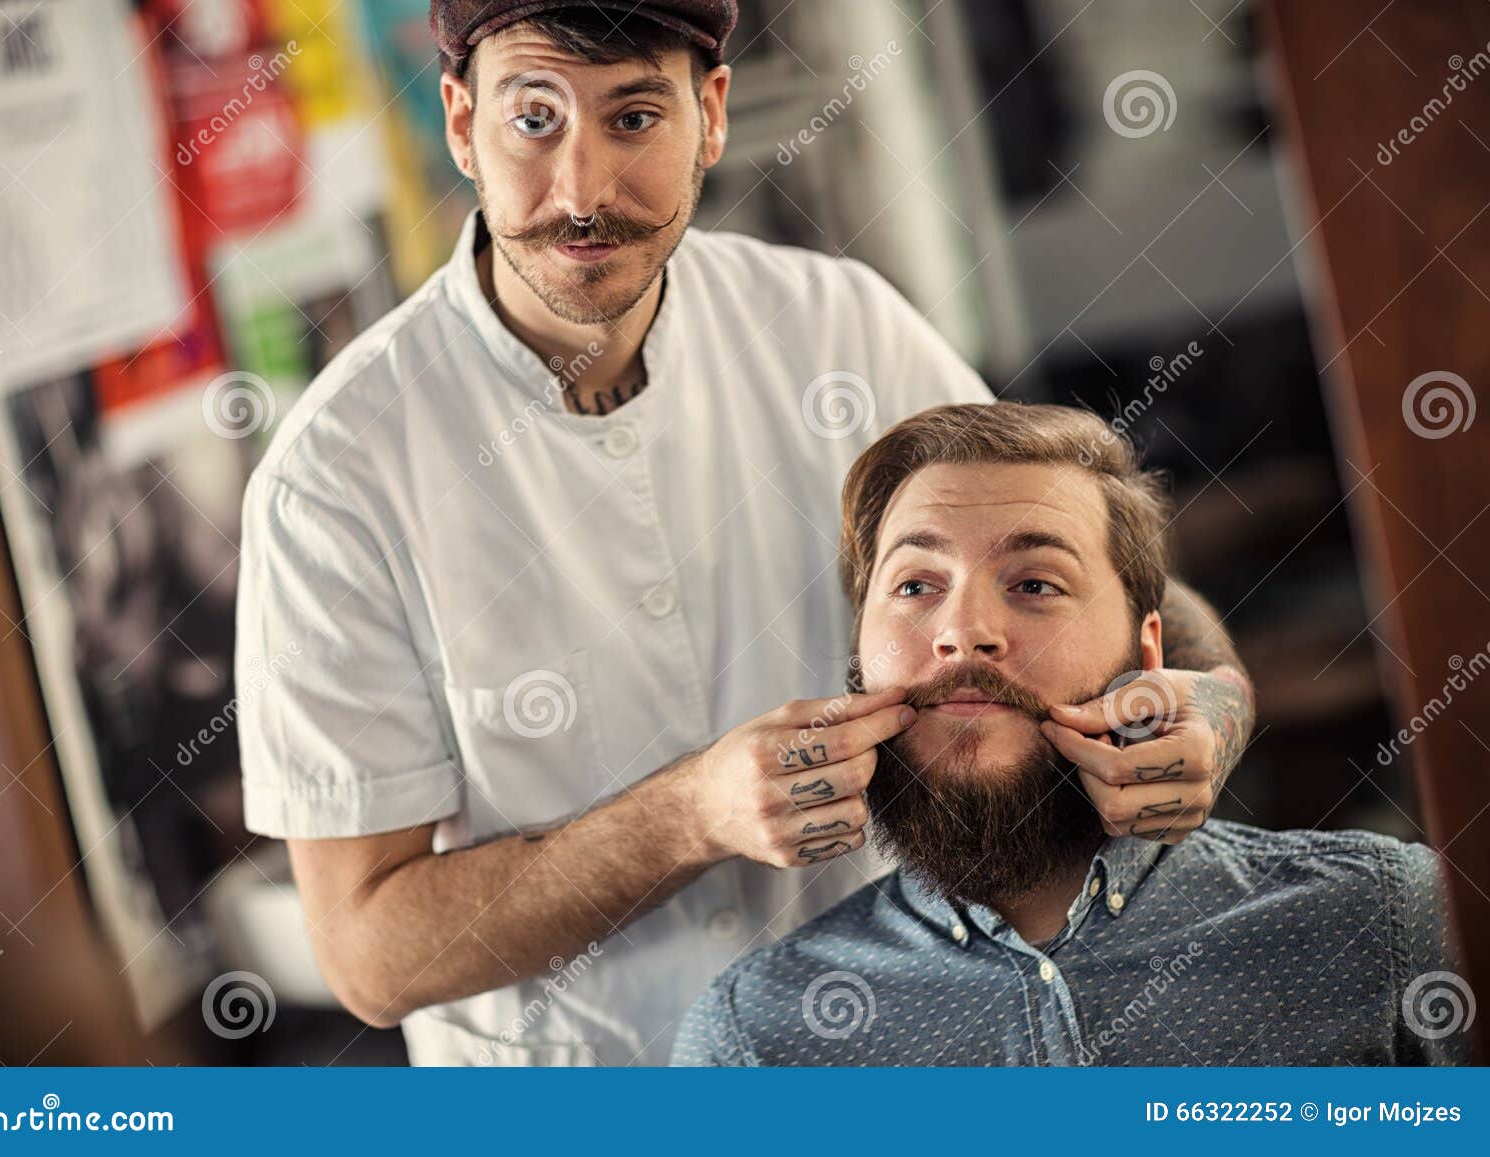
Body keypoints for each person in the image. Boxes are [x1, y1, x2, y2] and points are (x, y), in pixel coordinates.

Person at [236, 1, 1256, 1066]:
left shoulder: (837, 327)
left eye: (634, 118)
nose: (581, 191)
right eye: (533, 120)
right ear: (460, 123)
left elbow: (1096, 586)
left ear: (711, 114)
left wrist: (1213, 705)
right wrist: (688, 814)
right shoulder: (336, 476)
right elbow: (371, 955)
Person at [672, 402, 1467, 1066]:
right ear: (858, 656)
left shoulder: (1390, 924)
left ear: (1148, 655)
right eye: (915, 585)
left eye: (1034, 583)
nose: (964, 631)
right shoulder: (753, 1043)